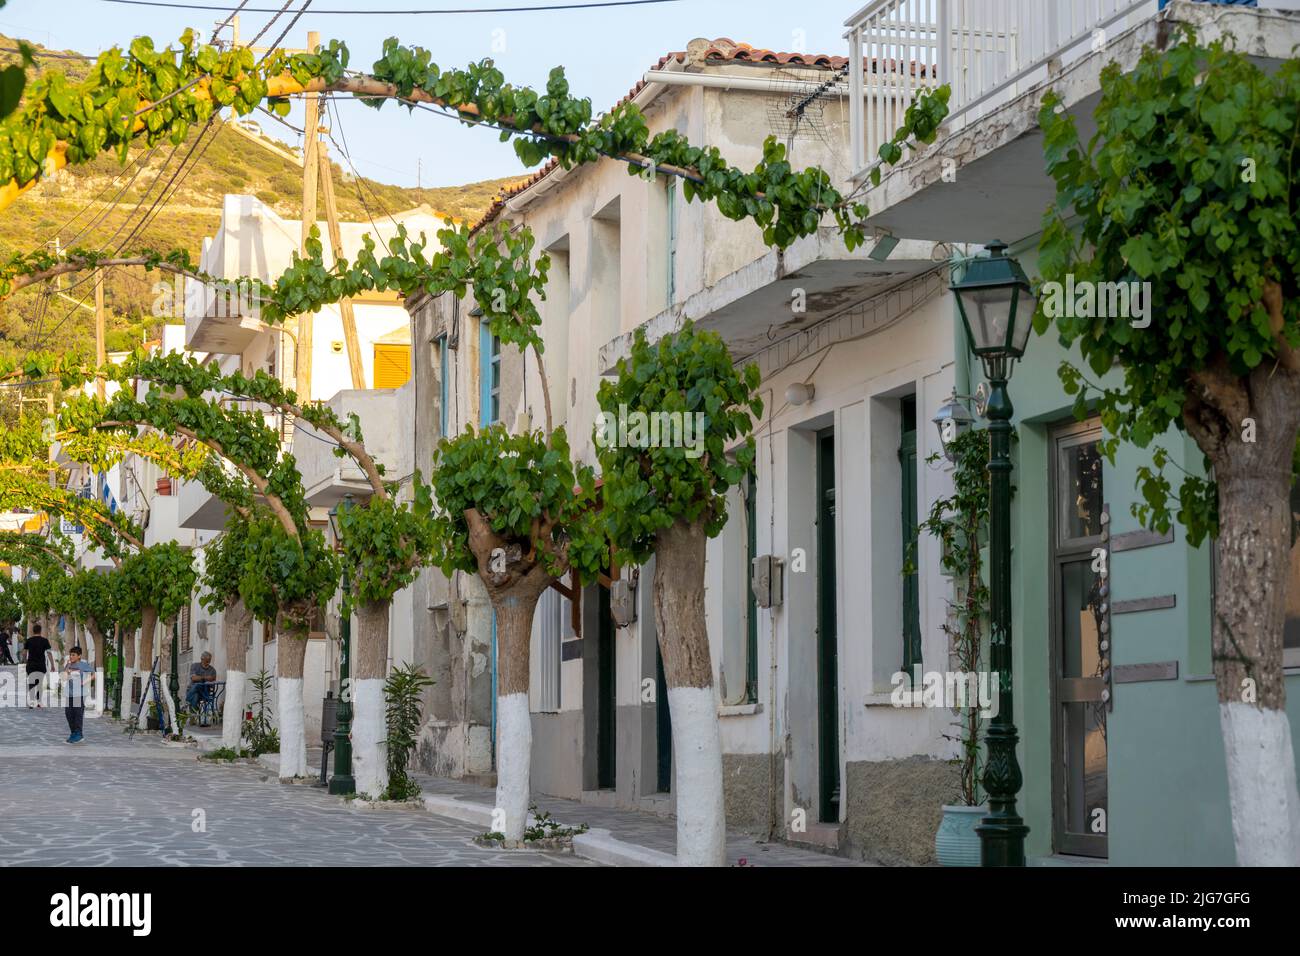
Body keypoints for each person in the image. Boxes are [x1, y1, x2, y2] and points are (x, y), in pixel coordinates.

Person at [62, 645, 93, 744]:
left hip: (79, 694)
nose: (71, 657)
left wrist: (85, 682)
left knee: (77, 714)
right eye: (70, 655)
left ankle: (78, 734)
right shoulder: (69, 665)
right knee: (69, 714)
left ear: (79, 656)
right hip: (69, 693)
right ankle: (74, 733)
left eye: (73, 655)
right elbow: (64, 677)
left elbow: (94, 674)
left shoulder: (83, 665)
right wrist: (67, 667)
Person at [23, 623, 51, 708]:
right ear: (40, 631)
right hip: (40, 665)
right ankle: (39, 702)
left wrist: (25, 662)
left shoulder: (29, 640)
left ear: (33, 631)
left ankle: (31, 701)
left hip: (31, 664)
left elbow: (24, 653)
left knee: (32, 682)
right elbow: (49, 653)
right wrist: (53, 665)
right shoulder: (44, 641)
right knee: (40, 682)